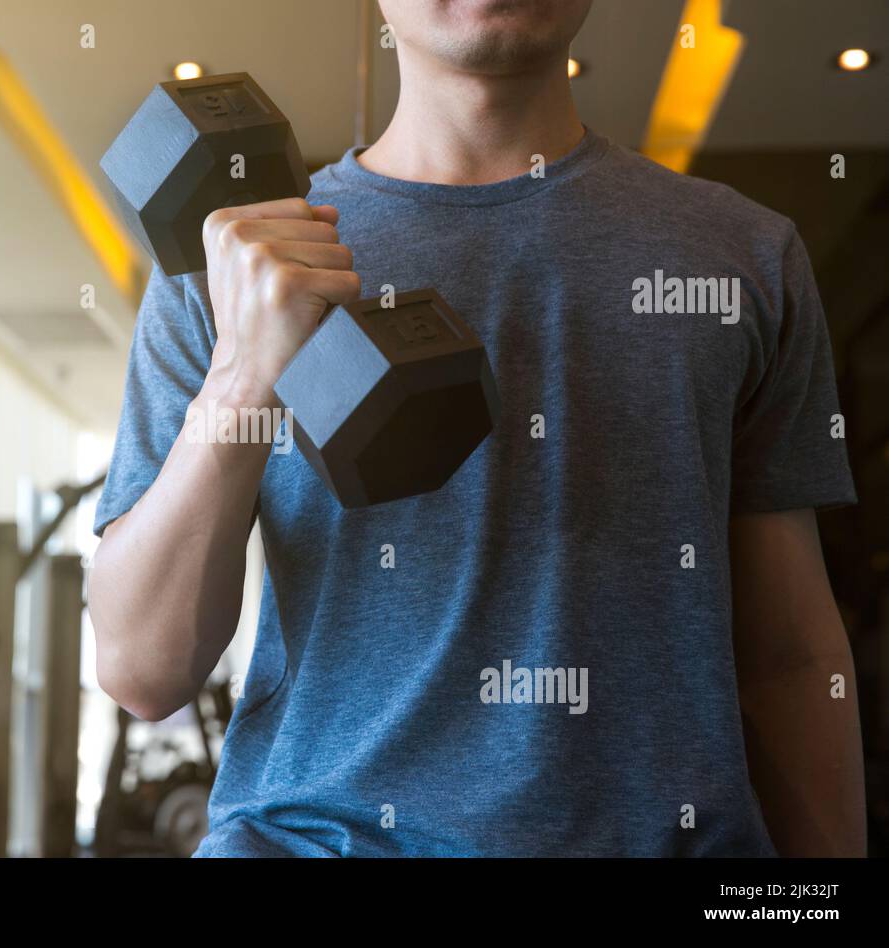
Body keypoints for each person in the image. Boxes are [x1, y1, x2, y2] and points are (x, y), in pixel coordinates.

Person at [88, 0, 866, 856]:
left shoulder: (746, 256)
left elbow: (791, 658)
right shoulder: (227, 267)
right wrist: (242, 377)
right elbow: (142, 671)